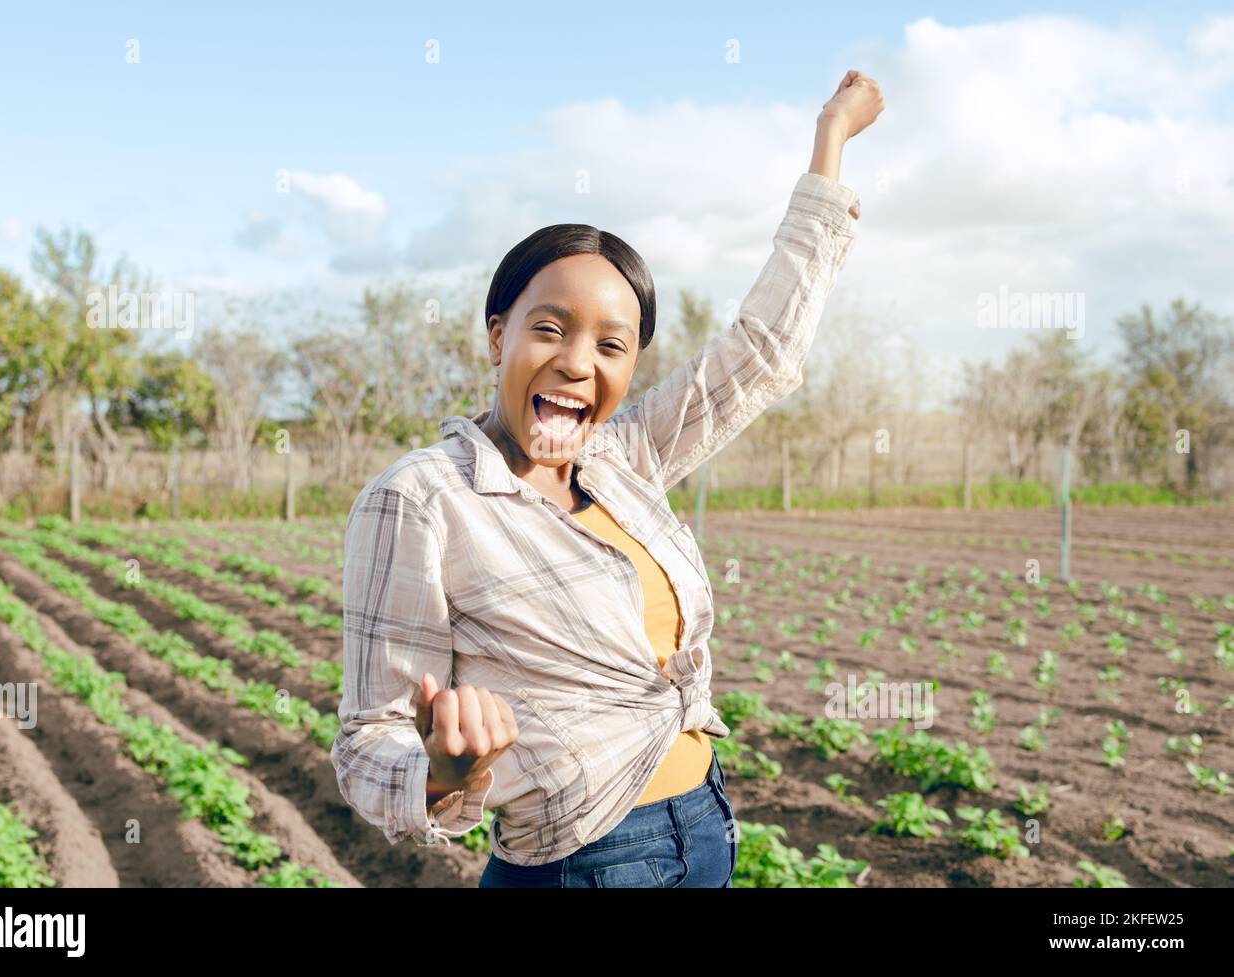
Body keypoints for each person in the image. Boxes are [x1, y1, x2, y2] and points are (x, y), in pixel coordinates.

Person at [332, 71, 884, 887]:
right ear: (498, 337)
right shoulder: (422, 498)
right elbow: (367, 740)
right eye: (548, 328)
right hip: (579, 862)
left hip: (704, 823)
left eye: (611, 345)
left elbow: (763, 351)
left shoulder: (623, 458)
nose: (576, 362)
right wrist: (445, 769)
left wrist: (830, 144)